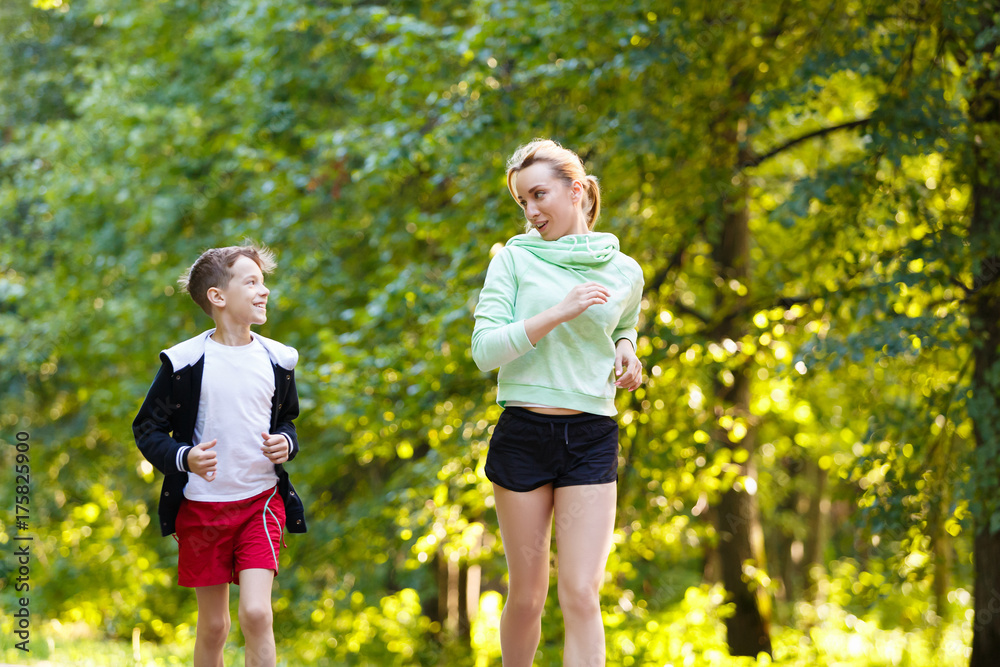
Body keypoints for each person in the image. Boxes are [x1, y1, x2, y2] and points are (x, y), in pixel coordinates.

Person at [472, 139, 644, 665]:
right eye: (523, 201)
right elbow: (484, 351)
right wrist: (557, 312)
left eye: (539, 194)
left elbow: (623, 322)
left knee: (582, 593)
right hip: (525, 434)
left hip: (591, 436)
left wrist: (627, 349)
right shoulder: (514, 260)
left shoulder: (624, 270)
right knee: (527, 597)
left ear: (576, 191)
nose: (531, 210)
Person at [132, 242, 305, 667]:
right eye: (252, 282)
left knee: (257, 613)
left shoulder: (277, 359)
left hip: (260, 503)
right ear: (218, 296)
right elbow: (147, 429)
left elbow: (287, 422)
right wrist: (184, 457)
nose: (264, 291)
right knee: (214, 627)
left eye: (264, 283)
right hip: (202, 509)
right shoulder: (184, 362)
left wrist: (287, 443)